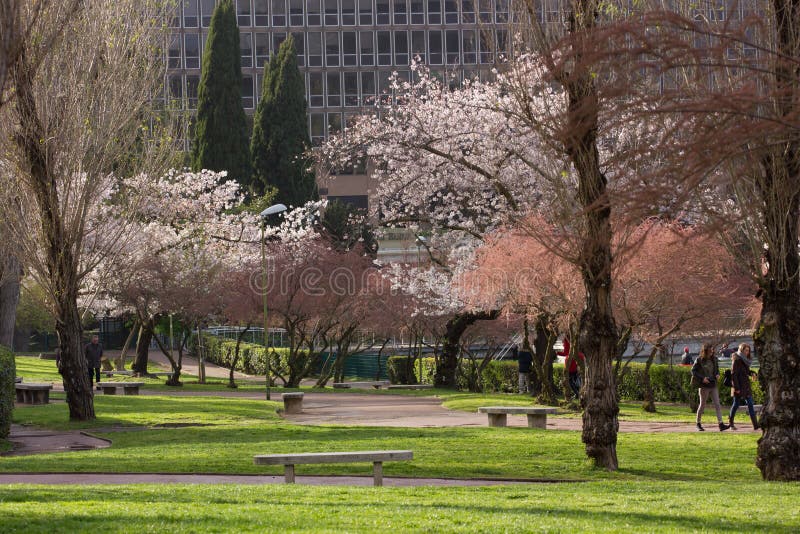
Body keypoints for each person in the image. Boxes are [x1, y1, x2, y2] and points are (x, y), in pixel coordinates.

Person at [691, 343, 729, 431]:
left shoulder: (715, 359)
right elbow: (693, 371)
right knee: (702, 405)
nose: (712, 352)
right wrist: (702, 378)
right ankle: (698, 423)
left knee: (717, 404)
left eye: (712, 350)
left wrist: (718, 374)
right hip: (704, 385)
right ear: (705, 351)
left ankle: (721, 424)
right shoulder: (699, 360)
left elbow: (717, 370)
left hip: (713, 384)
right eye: (710, 350)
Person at [728, 343, 759, 431]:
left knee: (750, 404)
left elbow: (746, 371)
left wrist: (752, 373)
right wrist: (737, 388)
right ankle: (731, 423)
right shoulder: (736, 359)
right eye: (745, 350)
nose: (747, 352)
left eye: (748, 351)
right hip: (738, 386)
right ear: (741, 350)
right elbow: (734, 375)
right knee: (735, 405)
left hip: (746, 386)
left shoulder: (746, 360)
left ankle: (755, 425)